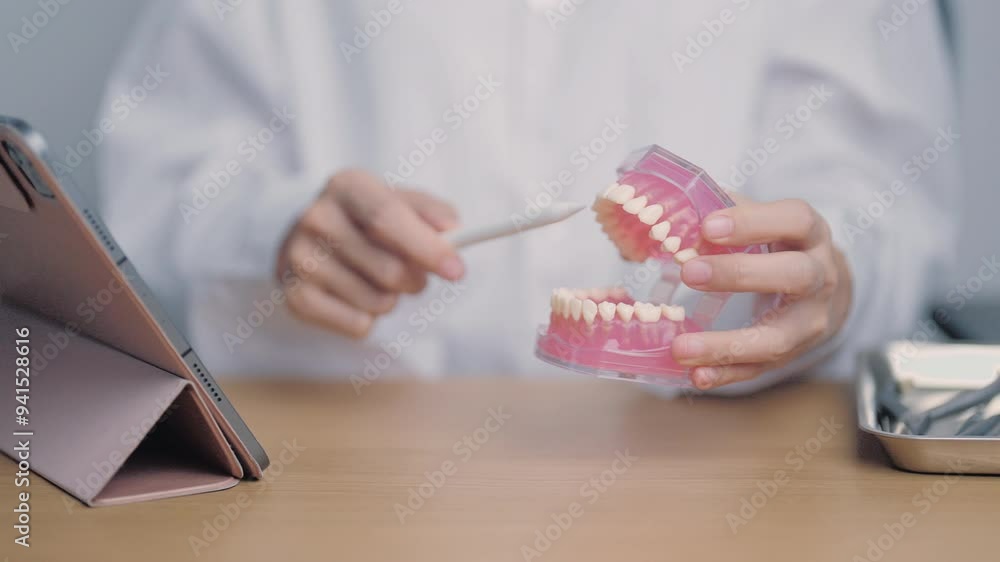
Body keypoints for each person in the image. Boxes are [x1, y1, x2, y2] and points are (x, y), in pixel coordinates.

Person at [96, 0, 960, 393]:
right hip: (337, 464)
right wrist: (273, 223)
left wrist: (834, 275)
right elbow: (160, 159)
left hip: (709, 480)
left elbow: (889, 200)